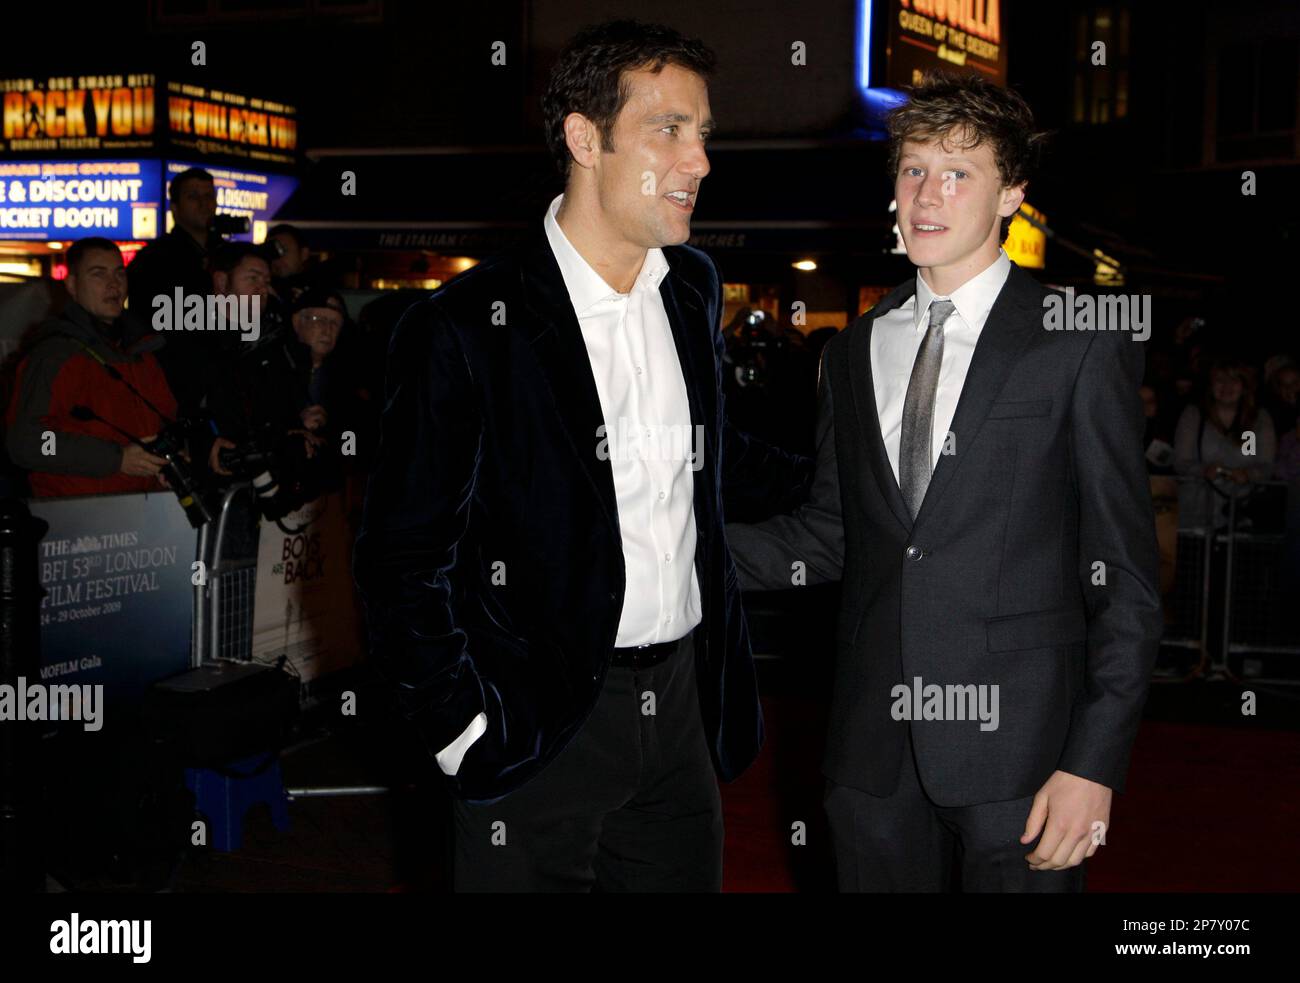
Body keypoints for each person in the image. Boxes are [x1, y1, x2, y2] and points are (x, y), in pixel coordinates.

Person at [354, 19, 810, 893]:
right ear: (583, 138)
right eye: (669, 130)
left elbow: (712, 463)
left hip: (678, 709)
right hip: (536, 719)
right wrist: (460, 728)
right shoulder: (462, 328)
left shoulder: (691, 289)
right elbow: (400, 558)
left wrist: (863, 469)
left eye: (703, 135)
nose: (700, 162)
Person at [726, 70, 1162, 892]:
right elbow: (832, 532)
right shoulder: (851, 352)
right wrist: (675, 548)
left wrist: (1093, 764)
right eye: (914, 169)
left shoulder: (1077, 341)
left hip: (1025, 759)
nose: (928, 194)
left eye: (959, 173)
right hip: (871, 756)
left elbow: (1127, 581)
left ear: (1011, 196)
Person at [5, 238, 177, 497]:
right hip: (80, 519)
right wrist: (114, 459)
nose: (114, 284)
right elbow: (31, 442)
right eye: (98, 274)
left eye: (120, 273)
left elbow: (167, 420)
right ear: (72, 285)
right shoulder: (54, 356)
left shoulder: (142, 353)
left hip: (147, 512)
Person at [1173, 359, 1276, 530]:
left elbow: (1267, 465)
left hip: (1242, 512)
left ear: (1243, 386)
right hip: (1197, 513)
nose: (1227, 386)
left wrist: (1249, 474)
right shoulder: (1193, 415)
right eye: (1220, 380)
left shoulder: (1260, 419)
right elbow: (1180, 461)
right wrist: (1203, 470)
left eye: (1234, 380)